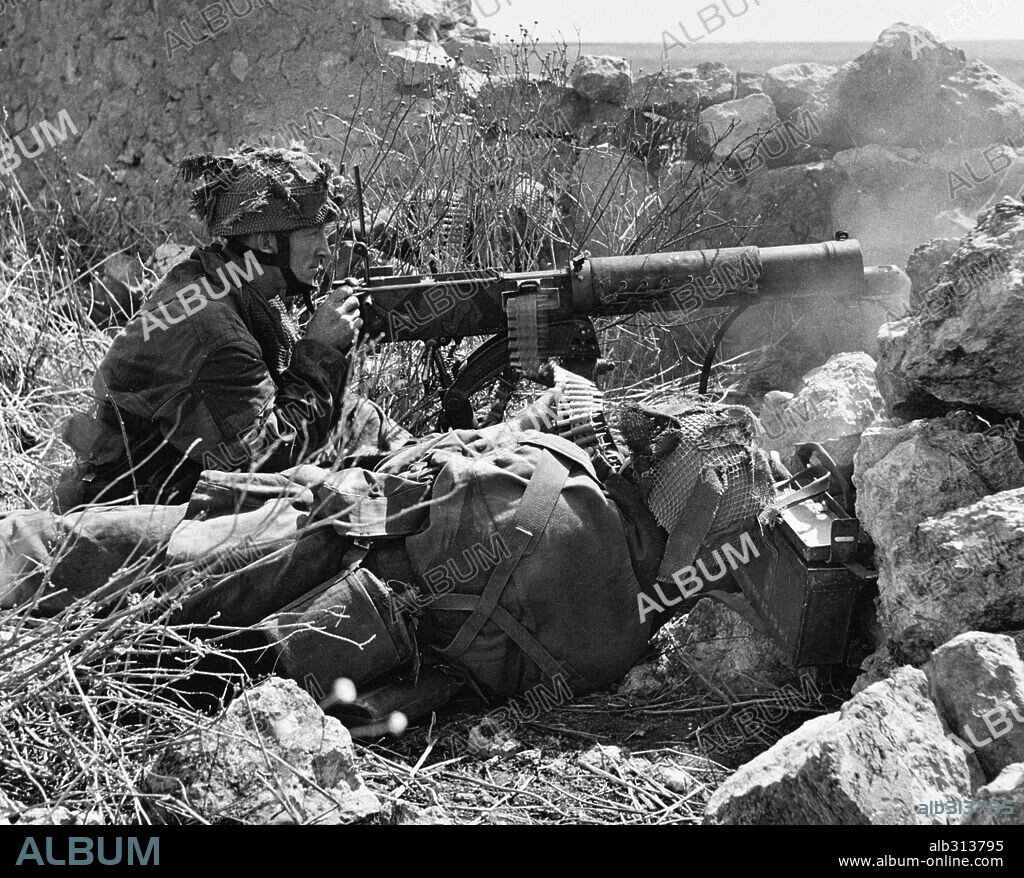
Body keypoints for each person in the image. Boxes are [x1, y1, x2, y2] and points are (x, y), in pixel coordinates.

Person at [53, 145, 408, 512]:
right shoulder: (215, 333)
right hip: (148, 502)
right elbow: (266, 463)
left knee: (360, 420)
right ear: (268, 241)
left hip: (180, 468)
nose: (325, 251)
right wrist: (320, 352)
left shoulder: (228, 275)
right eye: (312, 234)